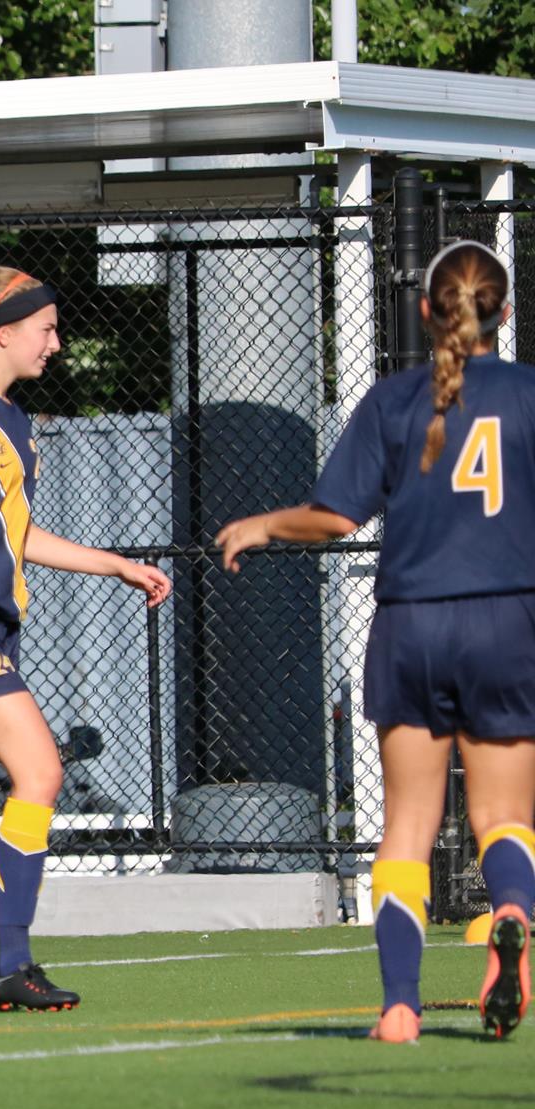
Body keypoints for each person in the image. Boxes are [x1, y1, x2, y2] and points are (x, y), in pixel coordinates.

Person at [217, 239, 532, 1043]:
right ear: (503, 311)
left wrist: (262, 523)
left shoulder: (393, 401)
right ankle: (512, 912)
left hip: (413, 623)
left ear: (425, 311)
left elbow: (336, 517)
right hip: (507, 621)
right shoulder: (529, 395)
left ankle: (399, 1007)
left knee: (407, 826)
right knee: (503, 815)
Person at [0, 267, 171, 1013]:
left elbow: (15, 532)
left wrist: (115, 564)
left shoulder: (12, 421)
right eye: (46, 329)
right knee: (41, 772)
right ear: (4, 331)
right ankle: (14, 962)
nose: (56, 342)